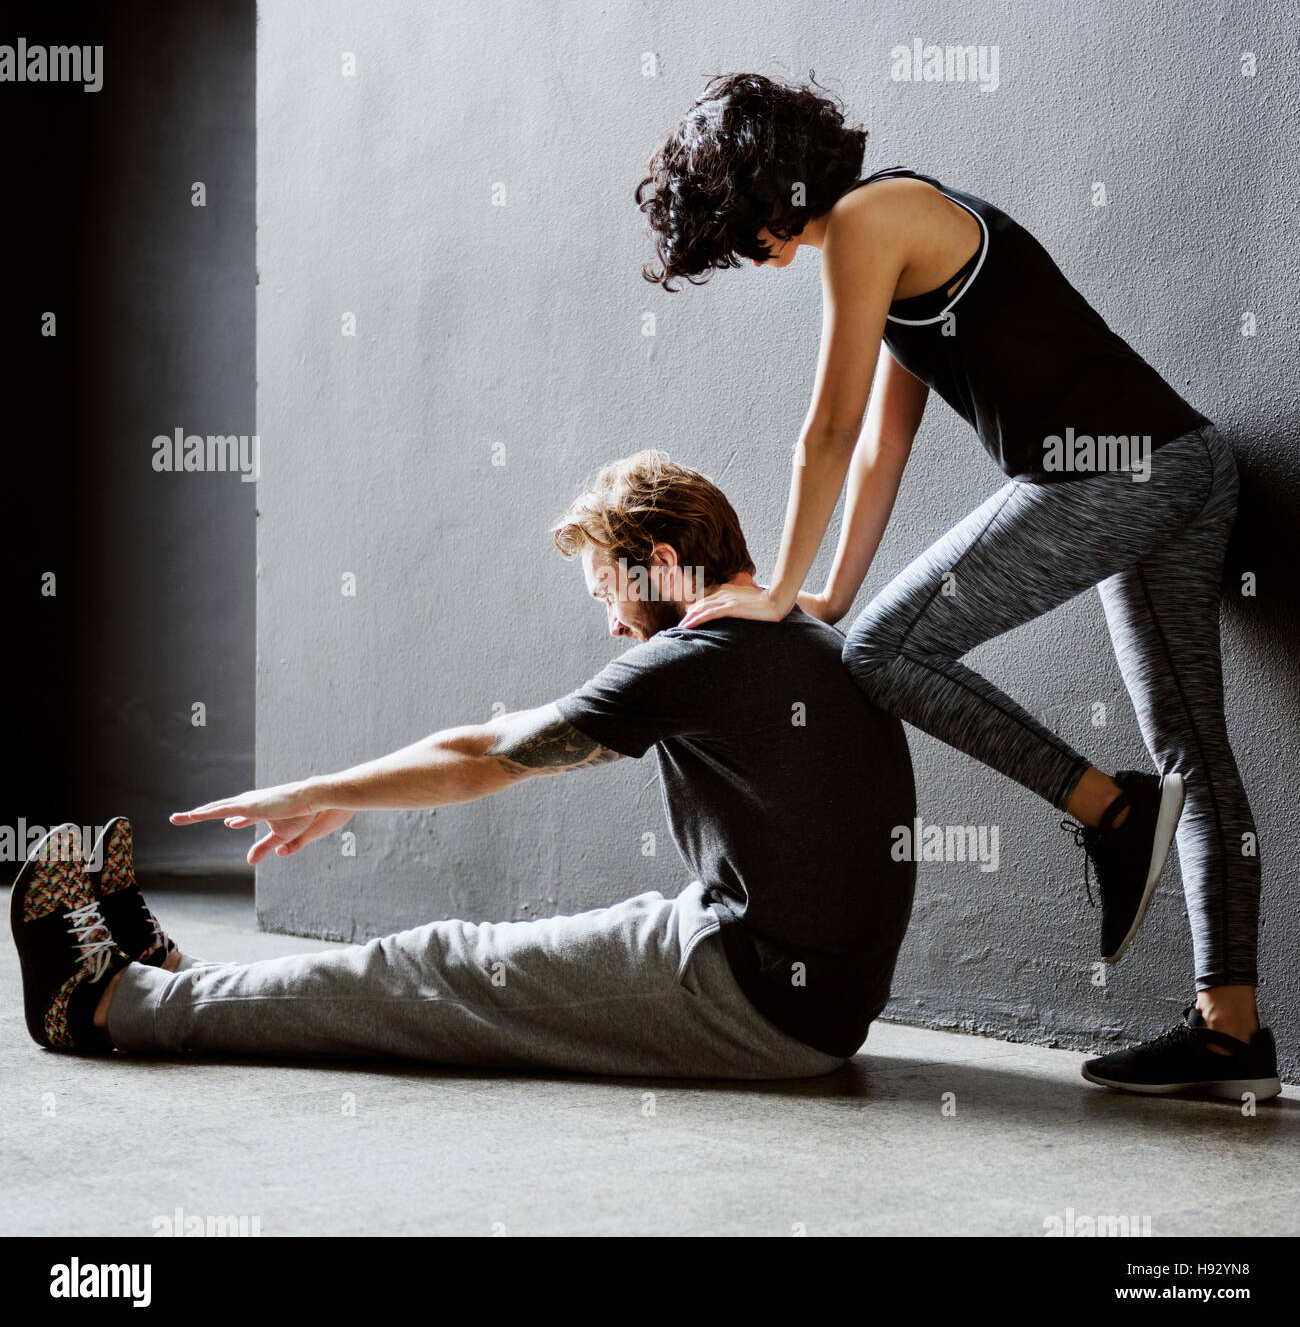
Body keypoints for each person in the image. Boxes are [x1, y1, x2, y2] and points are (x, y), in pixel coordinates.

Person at [633, 71, 1278, 1099]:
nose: (752, 258)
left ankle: (1110, 811)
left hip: (1114, 474)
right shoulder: (898, 220)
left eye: (737, 235)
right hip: (1181, 465)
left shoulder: (863, 223)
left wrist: (775, 589)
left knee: (888, 652)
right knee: (1192, 749)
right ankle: (1230, 1028)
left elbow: (828, 433)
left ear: (762, 195)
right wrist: (830, 589)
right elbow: (886, 439)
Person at [11, 452, 916, 1080]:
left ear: (664, 565)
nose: (609, 623)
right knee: (461, 963)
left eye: (608, 592)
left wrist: (321, 792)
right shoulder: (792, 626)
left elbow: (484, 757)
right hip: (794, 981)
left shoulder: (703, 652)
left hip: (760, 1000)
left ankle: (103, 1003)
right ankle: (172, 981)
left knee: (436, 971)